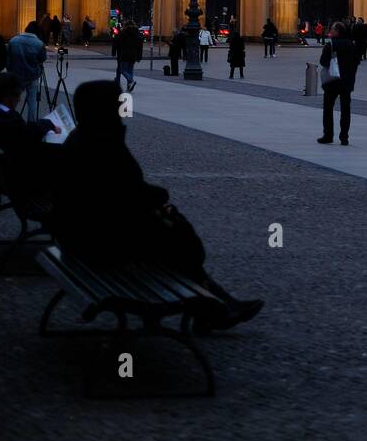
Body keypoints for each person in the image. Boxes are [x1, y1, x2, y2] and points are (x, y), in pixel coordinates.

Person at [52, 80, 262, 333]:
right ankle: (213, 307)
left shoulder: (85, 136)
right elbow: (125, 195)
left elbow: (118, 195)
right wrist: (159, 202)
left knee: (170, 239)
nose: (123, 105)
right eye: (119, 101)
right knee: (176, 243)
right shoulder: (102, 143)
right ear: (106, 107)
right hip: (95, 244)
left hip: (80, 234)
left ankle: (217, 305)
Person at [0, 70, 62, 199]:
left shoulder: (1, 115)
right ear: (7, 97)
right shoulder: (8, 120)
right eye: (17, 96)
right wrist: (48, 124)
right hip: (16, 172)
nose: (20, 99)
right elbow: (26, 134)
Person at [318, 21, 358, 145]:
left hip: (333, 82)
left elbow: (323, 62)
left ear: (338, 31)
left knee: (328, 108)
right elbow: (356, 62)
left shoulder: (331, 45)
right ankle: (344, 137)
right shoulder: (352, 45)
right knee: (346, 110)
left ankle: (328, 135)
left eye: (333, 29)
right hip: (347, 82)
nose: (331, 31)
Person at [7, 22, 47, 122]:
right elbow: (42, 59)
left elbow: (8, 58)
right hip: (32, 76)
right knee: (32, 102)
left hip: (15, 75)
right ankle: (31, 123)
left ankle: (8, 121)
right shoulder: (39, 43)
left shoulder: (13, 40)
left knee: (11, 100)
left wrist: (10, 70)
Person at [115, 20, 143, 94]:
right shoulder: (138, 34)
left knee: (122, 70)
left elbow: (117, 42)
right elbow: (140, 46)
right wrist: (139, 56)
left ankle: (131, 81)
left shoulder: (123, 33)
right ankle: (129, 86)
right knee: (130, 71)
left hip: (125, 54)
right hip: (134, 55)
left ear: (125, 25)